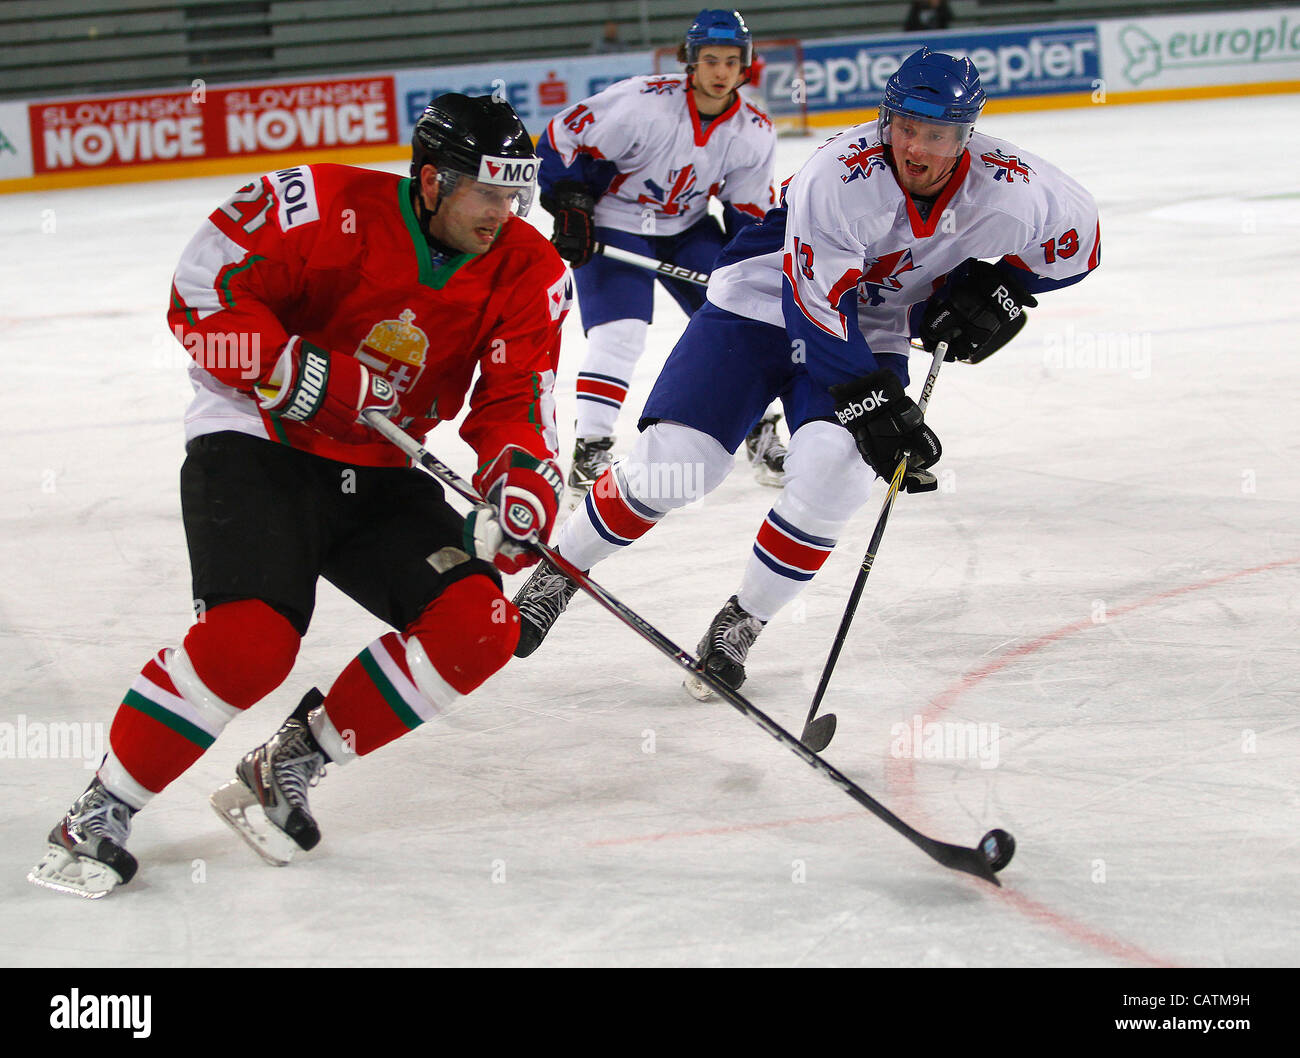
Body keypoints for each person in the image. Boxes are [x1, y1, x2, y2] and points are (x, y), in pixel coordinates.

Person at [28, 94, 570, 898]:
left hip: (380, 464)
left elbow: (517, 399)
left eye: (514, 194)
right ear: (430, 182)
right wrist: (286, 365)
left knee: (478, 628)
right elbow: (201, 287)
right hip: (258, 437)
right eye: (486, 193)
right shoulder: (323, 202)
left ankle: (292, 760)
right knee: (250, 643)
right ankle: (101, 808)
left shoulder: (529, 268)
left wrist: (520, 480)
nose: (504, 213)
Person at [511, 47, 1100, 698]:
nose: (916, 147)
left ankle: (742, 622)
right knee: (680, 462)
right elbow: (815, 304)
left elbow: (1080, 244)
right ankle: (559, 569)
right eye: (905, 127)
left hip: (872, 326)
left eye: (936, 134)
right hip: (762, 299)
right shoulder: (840, 174)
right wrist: (871, 404)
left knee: (833, 473)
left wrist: (1004, 287)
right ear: (886, 119)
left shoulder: (1012, 187)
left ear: (966, 136)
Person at [537, 8, 782, 495]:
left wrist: (753, 265)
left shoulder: (754, 129)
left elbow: (748, 211)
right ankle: (591, 450)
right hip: (615, 224)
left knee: (746, 317)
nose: (720, 72)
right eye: (710, 59)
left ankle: (759, 432)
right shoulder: (640, 102)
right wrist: (569, 201)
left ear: (744, 65)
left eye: (731, 61)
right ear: (690, 60)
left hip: (687, 228)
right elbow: (561, 137)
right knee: (620, 332)